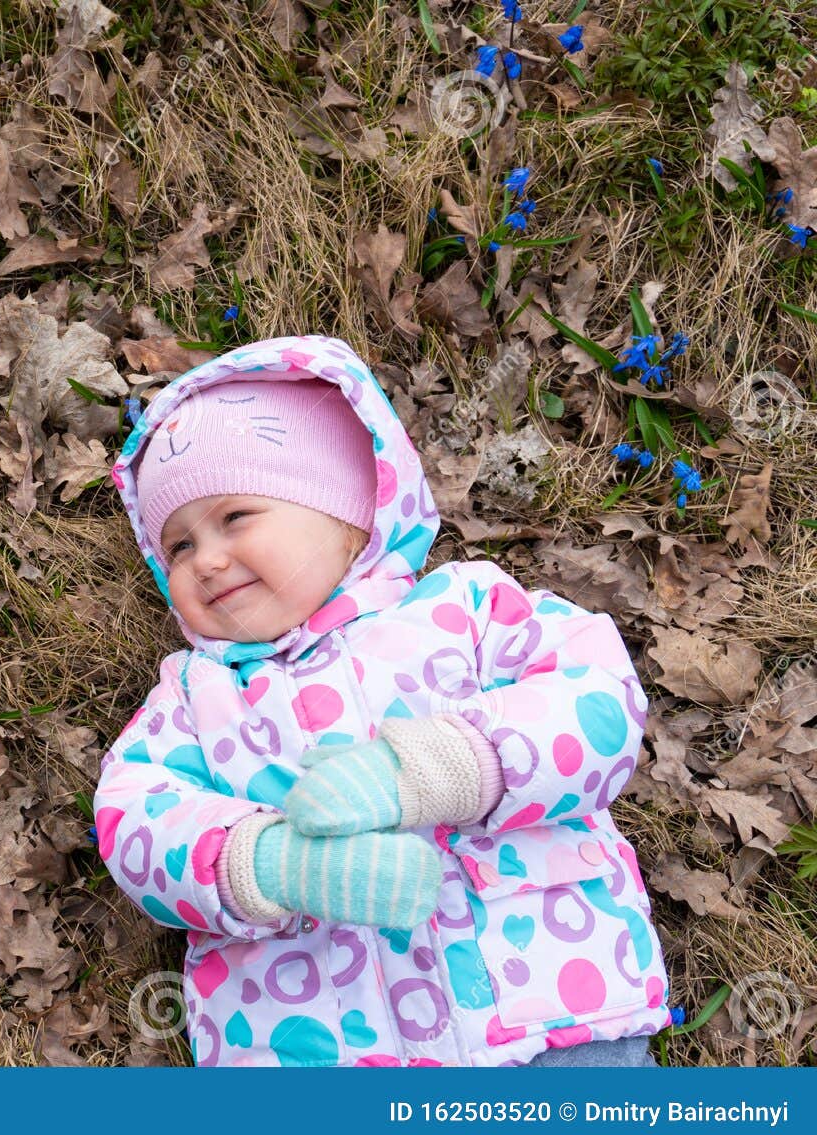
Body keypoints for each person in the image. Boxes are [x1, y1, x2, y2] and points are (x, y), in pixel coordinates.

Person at [94, 335, 673, 1066]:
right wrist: (271, 866)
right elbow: (135, 819)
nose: (205, 559)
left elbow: (596, 699)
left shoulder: (464, 609)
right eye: (176, 547)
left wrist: (445, 770)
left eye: (236, 516)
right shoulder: (191, 699)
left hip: (550, 1015)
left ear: (349, 512)